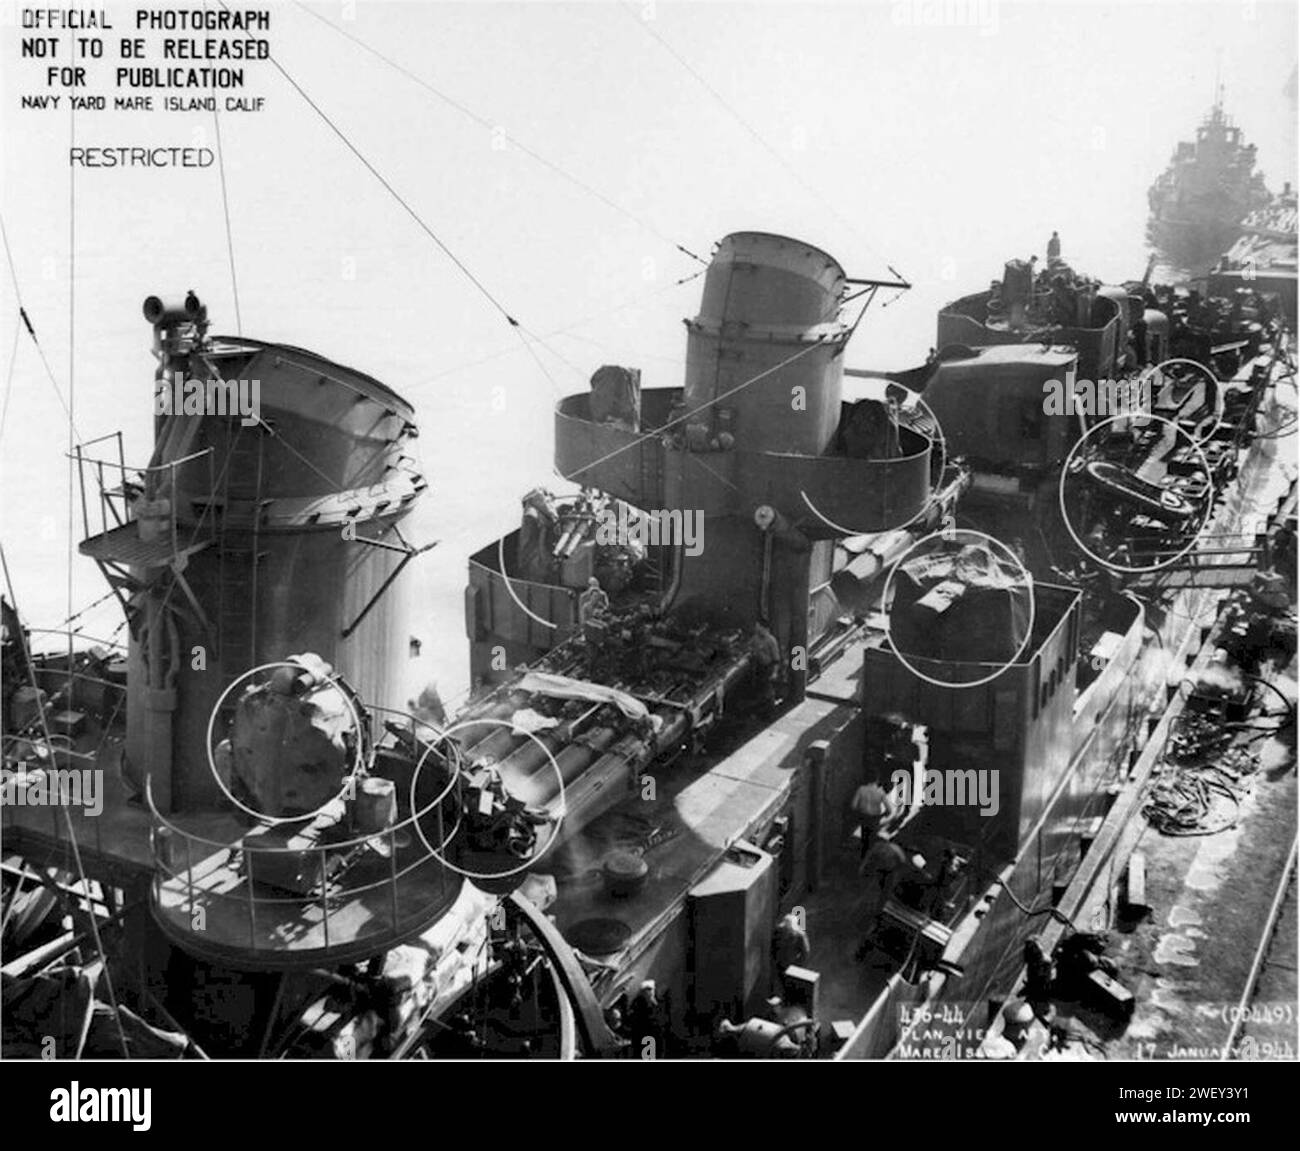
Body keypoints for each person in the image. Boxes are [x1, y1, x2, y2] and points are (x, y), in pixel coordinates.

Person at [849, 776, 897, 859]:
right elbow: (890, 810)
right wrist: (883, 816)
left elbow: (853, 806)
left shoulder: (861, 789)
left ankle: (862, 858)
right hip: (875, 819)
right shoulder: (880, 792)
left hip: (863, 817)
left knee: (864, 839)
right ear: (877, 780)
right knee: (872, 840)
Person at [749, 621, 782, 709]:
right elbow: (749, 647)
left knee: (768, 689)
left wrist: (775, 672)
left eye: (758, 626)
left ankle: (770, 709)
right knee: (761, 688)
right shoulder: (755, 638)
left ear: (764, 628)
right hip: (759, 667)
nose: (756, 628)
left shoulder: (771, 640)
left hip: (768, 668)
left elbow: (776, 659)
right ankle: (761, 708)